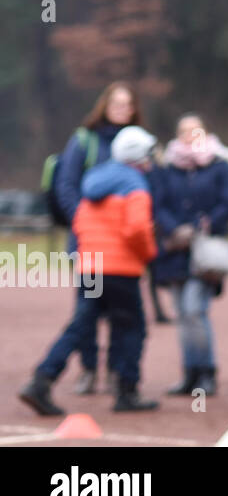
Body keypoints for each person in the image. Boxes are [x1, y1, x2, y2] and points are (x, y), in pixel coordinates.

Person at [20, 126, 161, 415]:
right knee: (132, 326)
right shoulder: (135, 183)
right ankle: (127, 391)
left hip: (91, 266)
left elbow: (80, 223)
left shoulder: (94, 180)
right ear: (138, 157)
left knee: (81, 324)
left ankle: (42, 380)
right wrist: (148, 253)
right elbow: (137, 228)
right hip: (121, 269)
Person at [51, 81, 146, 394]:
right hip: (89, 244)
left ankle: (118, 372)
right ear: (104, 105)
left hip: (123, 249)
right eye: (116, 103)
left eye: (127, 103)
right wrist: (83, 223)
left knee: (120, 313)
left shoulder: (137, 142)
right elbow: (66, 186)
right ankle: (89, 368)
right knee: (87, 310)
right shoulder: (84, 141)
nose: (121, 109)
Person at [150, 113, 228, 398]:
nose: (190, 136)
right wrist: (174, 229)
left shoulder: (219, 166)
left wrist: (205, 224)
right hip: (175, 251)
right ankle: (189, 374)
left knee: (194, 309)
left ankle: (207, 371)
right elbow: (158, 203)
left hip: (206, 252)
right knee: (182, 313)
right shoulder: (168, 169)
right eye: (185, 131)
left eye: (195, 131)